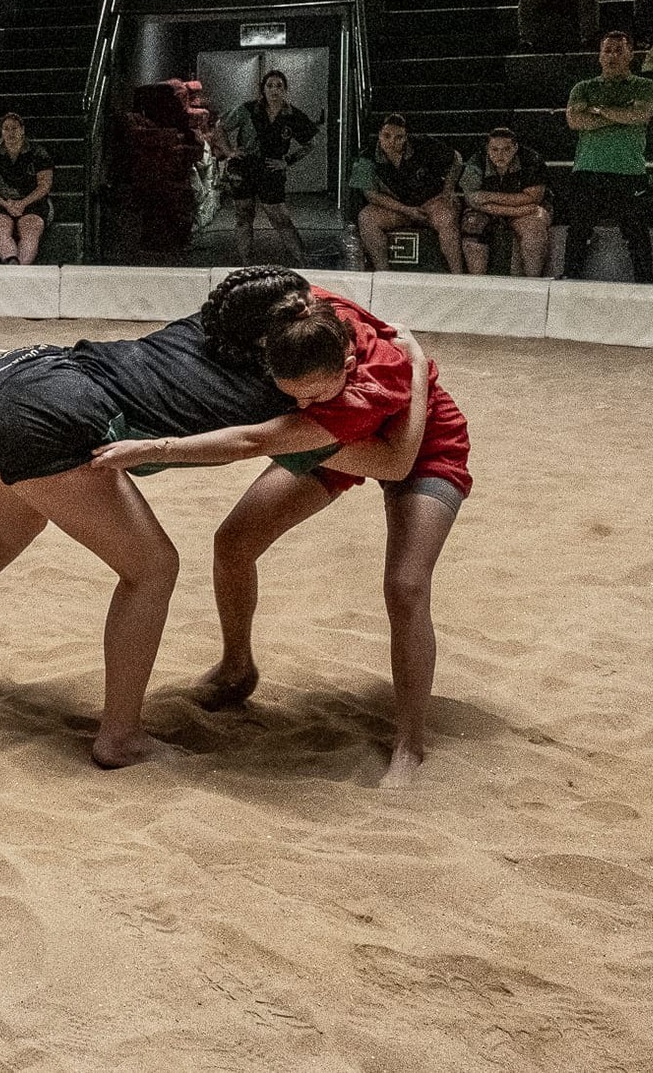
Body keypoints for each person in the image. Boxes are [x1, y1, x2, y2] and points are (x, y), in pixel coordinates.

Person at [0, 268, 432, 768]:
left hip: (4, 377)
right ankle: (120, 738)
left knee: (14, 525)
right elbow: (389, 463)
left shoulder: (215, 323)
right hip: (46, 418)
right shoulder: (279, 401)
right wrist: (413, 368)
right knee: (152, 569)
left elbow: (292, 297)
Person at [160, 268, 464, 788]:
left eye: (312, 393)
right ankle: (237, 668)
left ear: (345, 363)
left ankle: (409, 744)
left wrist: (416, 370)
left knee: (406, 585)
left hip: (418, 446)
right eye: (293, 395)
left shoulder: (382, 375)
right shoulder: (299, 315)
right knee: (234, 542)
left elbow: (395, 463)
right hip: (332, 436)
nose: (300, 403)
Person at [562, 31, 653, 281]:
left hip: (628, 170)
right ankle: (569, 278)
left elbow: (640, 115)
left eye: (619, 51)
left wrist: (597, 110)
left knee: (636, 232)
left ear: (631, 55)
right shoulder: (583, 87)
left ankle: (646, 284)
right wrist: (620, 114)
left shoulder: (646, 86)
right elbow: (575, 121)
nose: (612, 56)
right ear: (599, 55)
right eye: (607, 51)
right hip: (588, 169)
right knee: (578, 230)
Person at [218, 69, 320, 265]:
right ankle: (246, 263)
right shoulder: (248, 110)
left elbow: (311, 142)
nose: (274, 90)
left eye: (279, 86)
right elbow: (220, 126)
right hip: (245, 167)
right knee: (244, 215)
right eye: (270, 86)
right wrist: (229, 151)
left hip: (270, 168)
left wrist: (287, 161)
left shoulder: (292, 115)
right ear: (263, 89)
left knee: (280, 218)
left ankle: (303, 263)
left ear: (285, 89)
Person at [349, 114, 463, 273]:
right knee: (366, 218)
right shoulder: (366, 158)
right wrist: (406, 210)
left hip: (431, 203)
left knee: (447, 218)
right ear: (379, 135)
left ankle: (457, 275)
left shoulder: (423, 144)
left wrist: (448, 189)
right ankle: (383, 273)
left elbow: (456, 158)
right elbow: (371, 195)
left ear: (406, 137)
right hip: (397, 207)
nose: (392, 142)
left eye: (398, 137)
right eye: (387, 136)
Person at [458, 127, 553, 278]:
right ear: (487, 149)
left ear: (515, 148)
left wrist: (488, 196)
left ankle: (533, 282)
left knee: (534, 228)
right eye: (494, 150)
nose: (500, 155)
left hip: (526, 209)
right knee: (471, 226)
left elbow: (533, 198)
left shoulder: (531, 159)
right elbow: (472, 199)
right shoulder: (476, 162)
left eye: (506, 149)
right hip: (511, 209)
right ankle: (478, 282)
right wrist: (513, 211)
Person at [0, 113, 52, 266]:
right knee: (0, 229)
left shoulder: (38, 153)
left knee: (30, 231)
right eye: (6, 128)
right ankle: (11, 262)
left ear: (22, 130)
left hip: (32, 203)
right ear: (1, 131)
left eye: (14, 128)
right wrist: (6, 204)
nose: (10, 132)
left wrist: (23, 203)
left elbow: (44, 185)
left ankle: (21, 269)